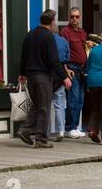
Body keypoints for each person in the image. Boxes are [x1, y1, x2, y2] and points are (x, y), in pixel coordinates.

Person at [18, 10, 71, 147]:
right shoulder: (48, 37)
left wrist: (22, 74)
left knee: (37, 105)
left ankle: (25, 130)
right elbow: (54, 60)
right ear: (52, 22)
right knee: (44, 107)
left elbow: (23, 57)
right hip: (43, 77)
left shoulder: (30, 35)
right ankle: (40, 139)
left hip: (30, 77)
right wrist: (64, 77)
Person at [59, 7, 90, 139]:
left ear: (80, 17)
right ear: (69, 17)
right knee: (73, 98)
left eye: (77, 16)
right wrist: (65, 69)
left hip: (83, 69)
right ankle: (69, 128)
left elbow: (85, 49)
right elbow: (62, 51)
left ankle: (76, 127)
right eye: (72, 16)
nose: (74, 19)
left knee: (80, 100)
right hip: (72, 68)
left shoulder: (83, 32)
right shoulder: (65, 32)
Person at [49, 30, 71, 143]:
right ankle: (61, 130)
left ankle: (47, 131)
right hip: (60, 73)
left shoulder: (46, 40)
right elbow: (67, 58)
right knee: (60, 104)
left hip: (47, 72)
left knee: (45, 103)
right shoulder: (64, 41)